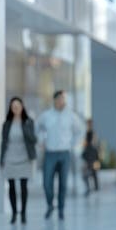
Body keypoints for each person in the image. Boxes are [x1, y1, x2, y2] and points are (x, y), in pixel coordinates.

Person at [37, 90, 84, 220]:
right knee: (47, 183)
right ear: (55, 100)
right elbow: (37, 128)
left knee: (63, 184)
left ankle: (61, 209)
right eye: (60, 99)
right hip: (50, 153)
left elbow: (80, 131)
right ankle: (50, 205)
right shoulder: (46, 116)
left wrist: (72, 144)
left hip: (65, 153)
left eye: (64, 99)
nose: (62, 101)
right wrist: (41, 141)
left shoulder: (71, 116)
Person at [0, 97, 37, 224]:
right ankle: (14, 213)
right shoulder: (7, 124)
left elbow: (33, 139)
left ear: (22, 107)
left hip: (24, 158)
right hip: (10, 157)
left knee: (23, 186)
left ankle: (23, 213)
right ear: (10, 108)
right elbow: (4, 142)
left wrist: (25, 127)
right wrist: (1, 159)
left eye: (18, 105)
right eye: (13, 106)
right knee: (11, 186)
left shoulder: (29, 122)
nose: (15, 108)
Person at [81, 118, 99, 196]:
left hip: (91, 154)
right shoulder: (87, 133)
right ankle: (92, 188)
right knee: (90, 172)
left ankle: (94, 188)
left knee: (93, 172)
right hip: (89, 154)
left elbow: (93, 142)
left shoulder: (91, 133)